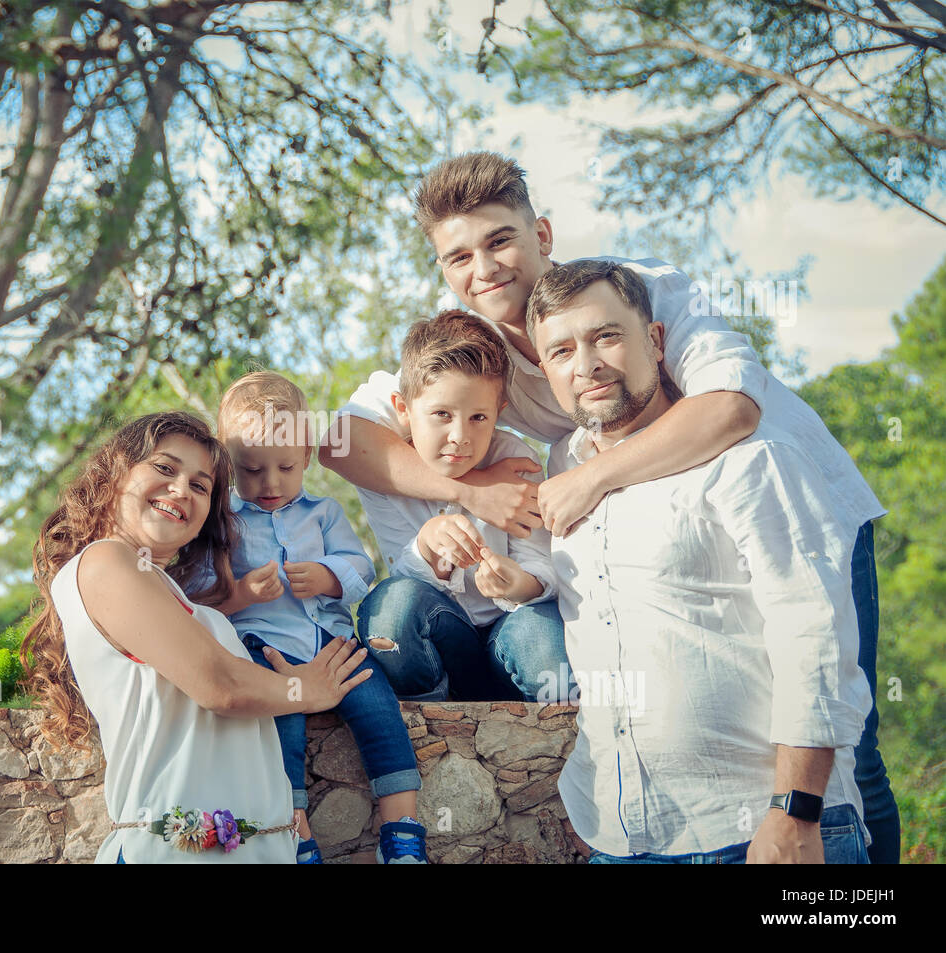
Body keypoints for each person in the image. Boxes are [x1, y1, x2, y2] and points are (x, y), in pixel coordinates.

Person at [322, 151, 899, 862]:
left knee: (847, 742)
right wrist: (471, 491)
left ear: (542, 234)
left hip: (791, 508)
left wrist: (589, 479)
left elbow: (730, 408)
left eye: (500, 240)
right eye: (459, 256)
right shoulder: (477, 350)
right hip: (653, 533)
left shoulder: (633, 292)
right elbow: (343, 441)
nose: (485, 268)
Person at [526, 258, 871, 863]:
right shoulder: (559, 470)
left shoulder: (751, 458)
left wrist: (794, 812)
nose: (587, 364)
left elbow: (813, 632)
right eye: (561, 351)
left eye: (606, 336)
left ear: (656, 340)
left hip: (763, 832)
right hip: (620, 839)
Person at [22, 411, 372, 863]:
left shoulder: (173, 595)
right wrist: (304, 688)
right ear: (115, 472)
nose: (181, 489)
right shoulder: (106, 561)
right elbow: (220, 685)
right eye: (164, 468)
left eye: (200, 486)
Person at [214, 371, 427, 864]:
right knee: (279, 725)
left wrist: (329, 577)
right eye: (252, 470)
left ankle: (401, 829)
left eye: (286, 466)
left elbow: (361, 568)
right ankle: (296, 833)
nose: (270, 483)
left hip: (332, 644)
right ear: (228, 464)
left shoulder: (324, 512)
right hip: (264, 648)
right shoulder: (224, 523)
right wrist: (243, 593)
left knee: (378, 708)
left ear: (307, 455)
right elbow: (206, 596)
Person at [352, 312, 571, 703]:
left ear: (499, 411)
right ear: (403, 408)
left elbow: (542, 565)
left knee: (543, 644)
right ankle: (429, 711)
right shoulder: (385, 474)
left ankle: (557, 725)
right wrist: (426, 548)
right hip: (441, 642)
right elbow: (405, 583)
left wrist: (519, 583)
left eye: (478, 417)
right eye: (442, 415)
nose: (460, 436)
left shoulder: (514, 459)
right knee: (391, 608)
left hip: (508, 630)